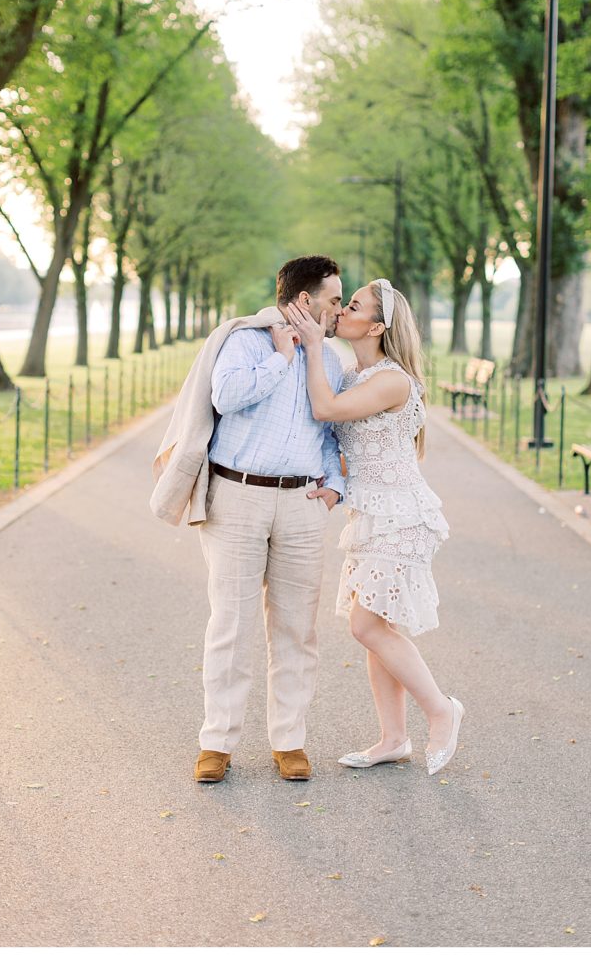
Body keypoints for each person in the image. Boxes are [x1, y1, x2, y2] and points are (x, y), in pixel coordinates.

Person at [152, 255, 347, 784]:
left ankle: (289, 740)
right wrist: (281, 359)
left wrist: (334, 486)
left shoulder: (332, 360)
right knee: (230, 624)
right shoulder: (245, 342)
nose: (339, 308)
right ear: (304, 301)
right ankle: (217, 741)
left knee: (296, 629)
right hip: (236, 497)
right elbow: (227, 396)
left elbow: (331, 431)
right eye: (333, 299)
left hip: (303, 505)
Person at [285, 278, 463, 777]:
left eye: (354, 305)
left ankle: (442, 710)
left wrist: (316, 346)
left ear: (377, 326)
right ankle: (393, 738)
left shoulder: (391, 380)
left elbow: (325, 411)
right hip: (369, 515)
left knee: (367, 625)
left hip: (402, 516)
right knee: (376, 626)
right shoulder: (351, 375)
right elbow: (335, 438)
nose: (341, 310)